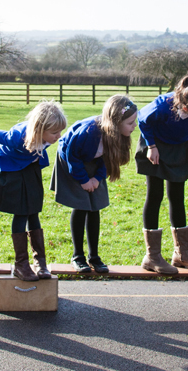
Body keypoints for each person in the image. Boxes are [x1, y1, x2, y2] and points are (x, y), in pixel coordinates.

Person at [135, 75, 188, 274]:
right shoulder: (164, 105)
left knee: (177, 197)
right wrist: (151, 146)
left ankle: (182, 254)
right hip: (155, 146)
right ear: (187, 109)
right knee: (155, 195)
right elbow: (142, 119)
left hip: (179, 147)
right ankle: (152, 257)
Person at [51, 94, 138, 273]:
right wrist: (83, 180)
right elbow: (71, 155)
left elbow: (108, 160)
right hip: (70, 160)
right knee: (82, 206)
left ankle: (94, 257)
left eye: (134, 121)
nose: (134, 126)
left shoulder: (117, 135)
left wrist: (97, 179)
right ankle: (78, 257)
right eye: (130, 123)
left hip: (93, 159)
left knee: (95, 206)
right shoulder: (89, 132)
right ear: (116, 121)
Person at [0, 101, 67, 282]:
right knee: (21, 213)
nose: (58, 136)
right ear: (39, 129)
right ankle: (21, 264)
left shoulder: (49, 136)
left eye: (60, 132)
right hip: (12, 170)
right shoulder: (16, 137)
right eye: (55, 133)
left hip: (30, 168)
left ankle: (40, 262)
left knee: (34, 212)